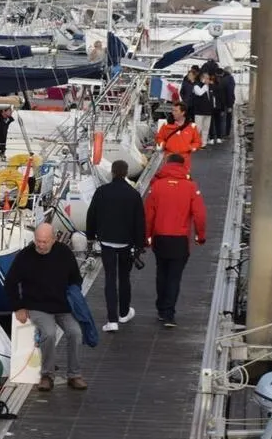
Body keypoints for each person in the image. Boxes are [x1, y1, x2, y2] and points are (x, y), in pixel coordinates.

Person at [4, 223, 88, 392]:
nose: (41, 245)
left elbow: (76, 279)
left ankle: (74, 375)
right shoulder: (25, 255)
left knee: (75, 333)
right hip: (37, 305)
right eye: (38, 241)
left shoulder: (64, 252)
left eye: (45, 242)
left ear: (54, 239)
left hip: (62, 305)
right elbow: (10, 283)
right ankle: (47, 375)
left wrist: (74, 294)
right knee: (49, 334)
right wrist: (18, 307)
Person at [144, 154, 207, 329]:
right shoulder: (191, 186)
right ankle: (169, 314)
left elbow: (148, 215)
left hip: (160, 237)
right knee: (174, 276)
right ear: (183, 165)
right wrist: (200, 235)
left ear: (167, 164)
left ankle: (161, 307)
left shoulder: (157, 186)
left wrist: (146, 237)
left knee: (161, 272)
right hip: (180, 239)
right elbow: (200, 214)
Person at [85, 160, 146, 332]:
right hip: (126, 243)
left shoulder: (101, 191)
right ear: (126, 173)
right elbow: (139, 221)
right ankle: (124, 313)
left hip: (107, 242)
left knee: (110, 279)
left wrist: (90, 237)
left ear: (112, 172)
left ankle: (112, 320)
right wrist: (139, 245)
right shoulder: (133, 194)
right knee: (124, 277)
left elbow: (91, 215)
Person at [156, 103, 202, 171]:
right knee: (169, 176)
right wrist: (163, 144)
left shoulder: (192, 126)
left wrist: (191, 147)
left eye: (176, 111)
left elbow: (197, 142)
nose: (173, 113)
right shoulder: (166, 125)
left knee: (183, 176)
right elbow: (159, 137)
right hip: (169, 157)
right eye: (172, 110)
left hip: (184, 159)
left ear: (183, 113)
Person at [190, 71, 215, 147]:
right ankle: (196, 143)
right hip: (199, 111)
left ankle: (203, 143)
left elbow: (212, 98)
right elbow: (200, 93)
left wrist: (213, 106)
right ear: (202, 78)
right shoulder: (196, 86)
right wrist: (205, 85)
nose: (208, 80)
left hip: (208, 111)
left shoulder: (210, 87)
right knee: (198, 128)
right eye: (206, 78)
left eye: (208, 78)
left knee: (206, 128)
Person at [218, 66, 236, 139]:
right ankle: (225, 135)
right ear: (230, 71)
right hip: (227, 103)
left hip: (222, 103)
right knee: (227, 119)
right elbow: (230, 93)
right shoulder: (230, 79)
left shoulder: (222, 79)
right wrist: (230, 105)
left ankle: (222, 134)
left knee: (222, 119)